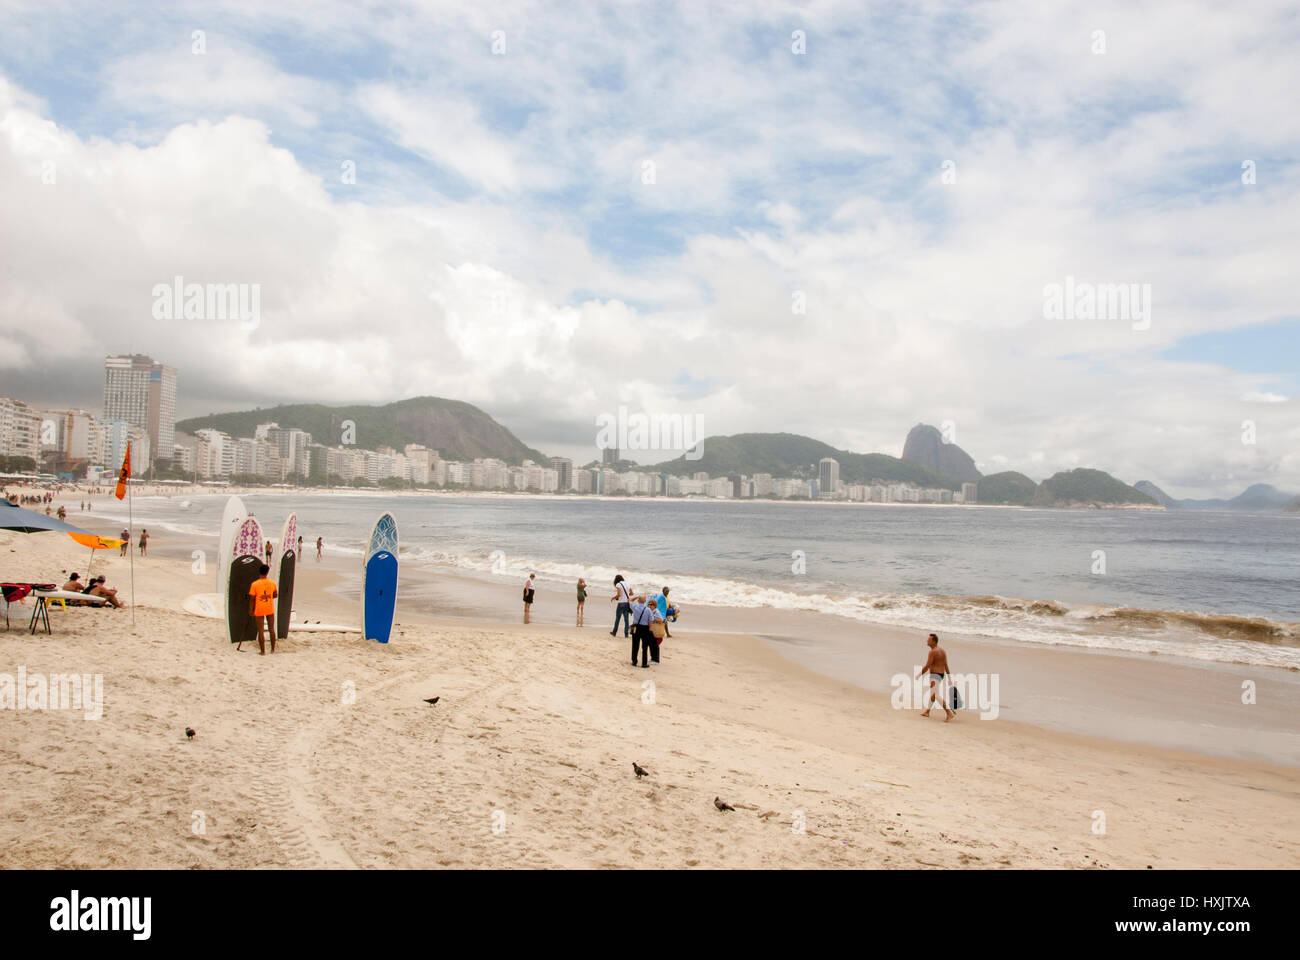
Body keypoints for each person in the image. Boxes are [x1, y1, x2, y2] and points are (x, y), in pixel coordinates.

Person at [916, 632, 955, 722]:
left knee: (936, 695)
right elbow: (946, 665)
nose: (927, 641)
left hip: (934, 675)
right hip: (941, 675)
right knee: (933, 694)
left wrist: (919, 674)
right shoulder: (942, 651)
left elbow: (927, 666)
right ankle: (927, 711)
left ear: (934, 641)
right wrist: (949, 678)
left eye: (929, 640)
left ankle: (949, 713)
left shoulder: (932, 652)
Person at [248, 564, 278, 655]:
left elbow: (252, 599)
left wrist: (250, 610)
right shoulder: (272, 583)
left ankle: (263, 651)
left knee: (260, 630)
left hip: (259, 608)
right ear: (267, 572)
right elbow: (275, 595)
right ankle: (272, 649)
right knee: (271, 629)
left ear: (259, 572)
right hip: (269, 608)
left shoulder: (254, 584)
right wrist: (268, 598)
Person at [628, 595, 660, 667]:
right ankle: (644, 663)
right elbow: (651, 621)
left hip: (636, 627)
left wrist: (637, 596)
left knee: (635, 645)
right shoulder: (648, 610)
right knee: (644, 646)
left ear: (638, 601)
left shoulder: (635, 607)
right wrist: (650, 629)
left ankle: (634, 661)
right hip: (645, 628)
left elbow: (629, 600)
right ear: (645, 601)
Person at [610, 574, 632, 638]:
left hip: (621, 603)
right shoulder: (628, 583)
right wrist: (626, 594)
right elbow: (632, 593)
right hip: (627, 603)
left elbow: (619, 594)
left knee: (617, 619)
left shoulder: (618, 584)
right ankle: (626, 635)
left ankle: (614, 633)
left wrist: (613, 598)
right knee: (626, 619)